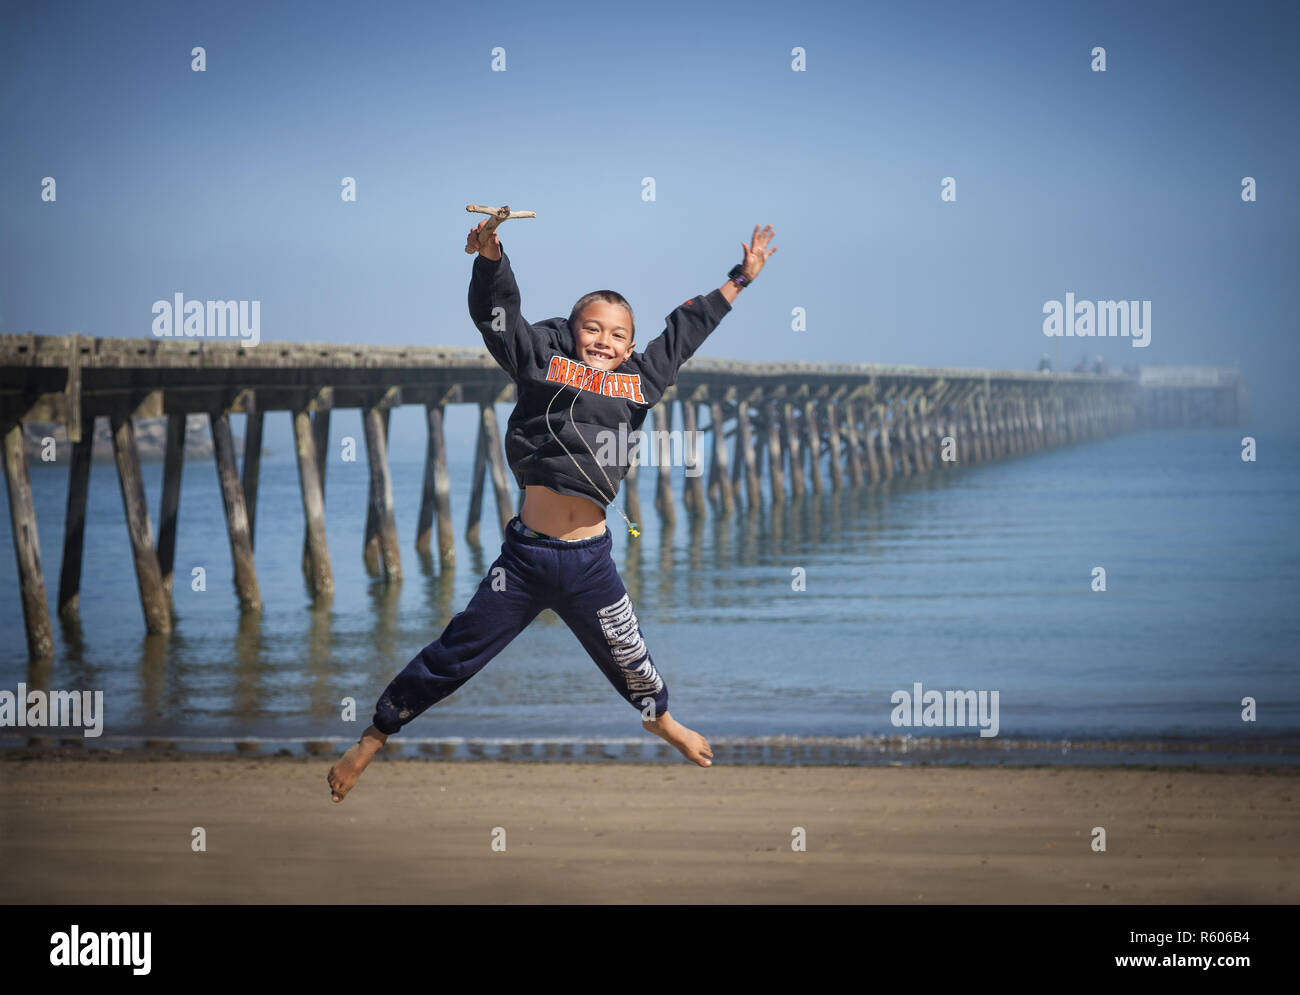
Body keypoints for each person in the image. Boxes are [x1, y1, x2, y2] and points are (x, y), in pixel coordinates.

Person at [327, 220, 778, 802]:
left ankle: (661, 719)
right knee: (455, 654)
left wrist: (741, 277)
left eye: (619, 335)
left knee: (631, 659)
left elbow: (686, 330)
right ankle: (373, 737)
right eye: (593, 328)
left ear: (630, 346)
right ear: (571, 330)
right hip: (525, 560)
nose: (605, 341)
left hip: (590, 563)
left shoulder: (640, 382)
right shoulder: (540, 363)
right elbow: (499, 318)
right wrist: (491, 257)